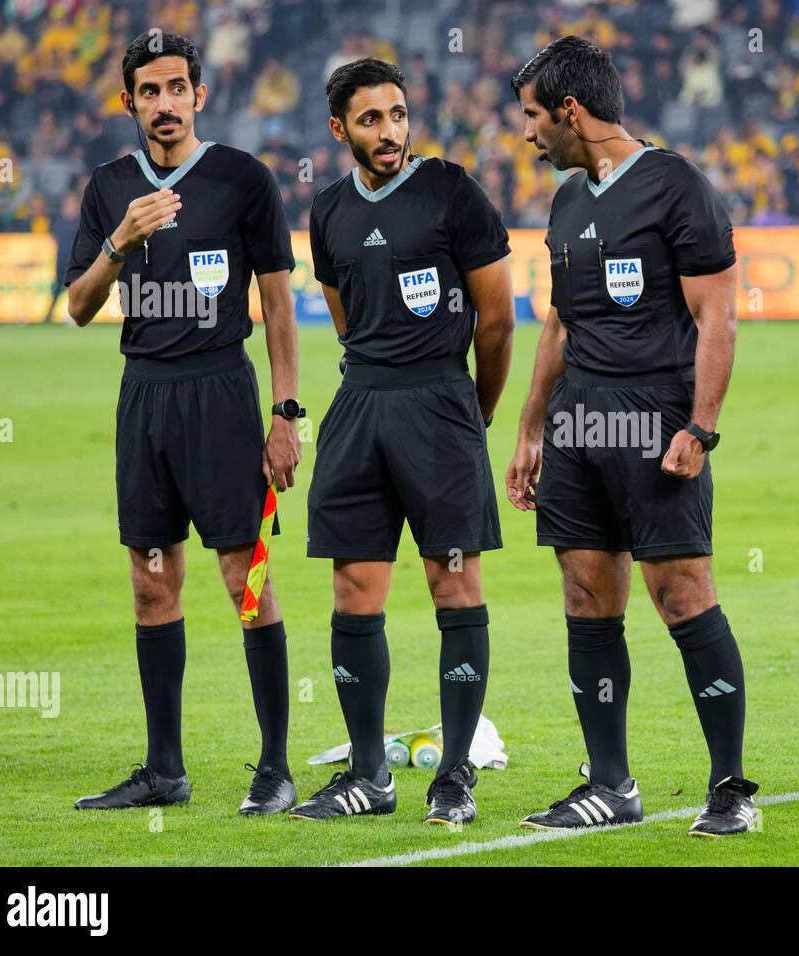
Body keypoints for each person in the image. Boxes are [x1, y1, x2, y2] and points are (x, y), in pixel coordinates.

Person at [506, 36, 757, 838]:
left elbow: (718, 313)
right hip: (579, 418)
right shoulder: (569, 198)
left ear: (571, 111)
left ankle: (730, 791)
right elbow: (559, 320)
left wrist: (702, 428)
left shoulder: (678, 186)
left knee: (681, 594)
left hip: (654, 416)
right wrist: (531, 427)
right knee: (585, 594)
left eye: (534, 117)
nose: (528, 134)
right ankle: (609, 785)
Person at [65, 34, 302, 815]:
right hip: (145, 398)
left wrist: (285, 413)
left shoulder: (242, 179)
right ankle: (163, 770)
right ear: (128, 102)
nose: (164, 103)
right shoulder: (108, 189)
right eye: (148, 91)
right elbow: (78, 306)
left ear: (200, 95)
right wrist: (118, 241)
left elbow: (277, 304)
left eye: (177, 88)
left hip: (222, 395)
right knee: (150, 581)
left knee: (246, 581)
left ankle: (274, 767)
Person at [289, 59, 514, 826]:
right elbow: (346, 316)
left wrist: (470, 413)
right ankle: (366, 776)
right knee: (353, 590)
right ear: (339, 130)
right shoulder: (326, 211)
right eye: (371, 120)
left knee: (453, 586)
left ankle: (454, 776)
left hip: (442, 404)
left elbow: (499, 320)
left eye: (397, 114)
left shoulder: (453, 191)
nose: (389, 132)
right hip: (359, 408)